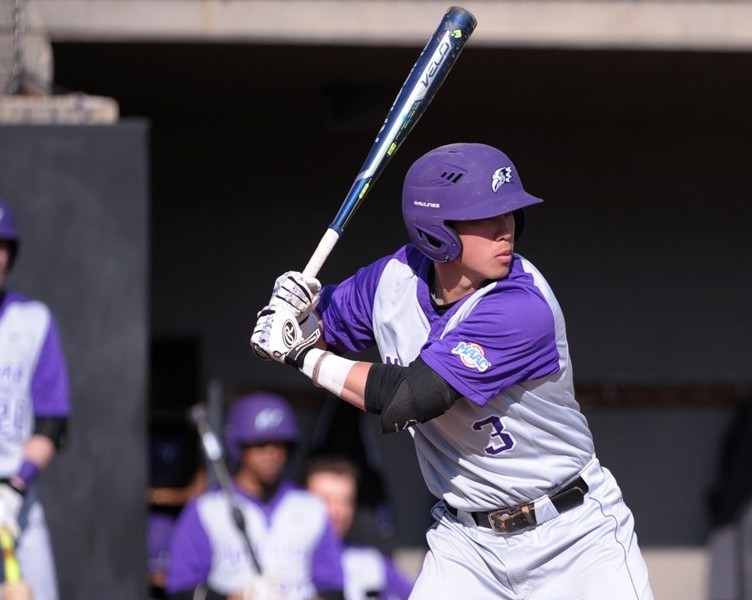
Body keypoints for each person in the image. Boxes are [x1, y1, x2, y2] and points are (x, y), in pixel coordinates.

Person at [251, 142, 653, 599]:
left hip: (573, 538)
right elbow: (321, 329)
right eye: (488, 216)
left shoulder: (522, 306)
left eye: (511, 213)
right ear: (434, 230)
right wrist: (293, 316)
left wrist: (301, 355)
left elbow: (409, 398)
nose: (507, 230)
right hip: (466, 543)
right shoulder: (390, 281)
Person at [165, 392, 346, 600]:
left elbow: (332, 586)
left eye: (280, 444)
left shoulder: (311, 507)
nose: (272, 454)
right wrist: (235, 598)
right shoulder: (206, 508)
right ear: (239, 447)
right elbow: (182, 589)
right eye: (260, 445)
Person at [0, 198, 71, 600]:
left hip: (15, 500)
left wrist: (16, 485)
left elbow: (52, 421)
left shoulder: (32, 320)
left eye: (2, 245)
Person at [304, 455, 414, 600]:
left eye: (346, 501)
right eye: (325, 500)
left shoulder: (372, 563)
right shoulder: (282, 557)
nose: (337, 511)